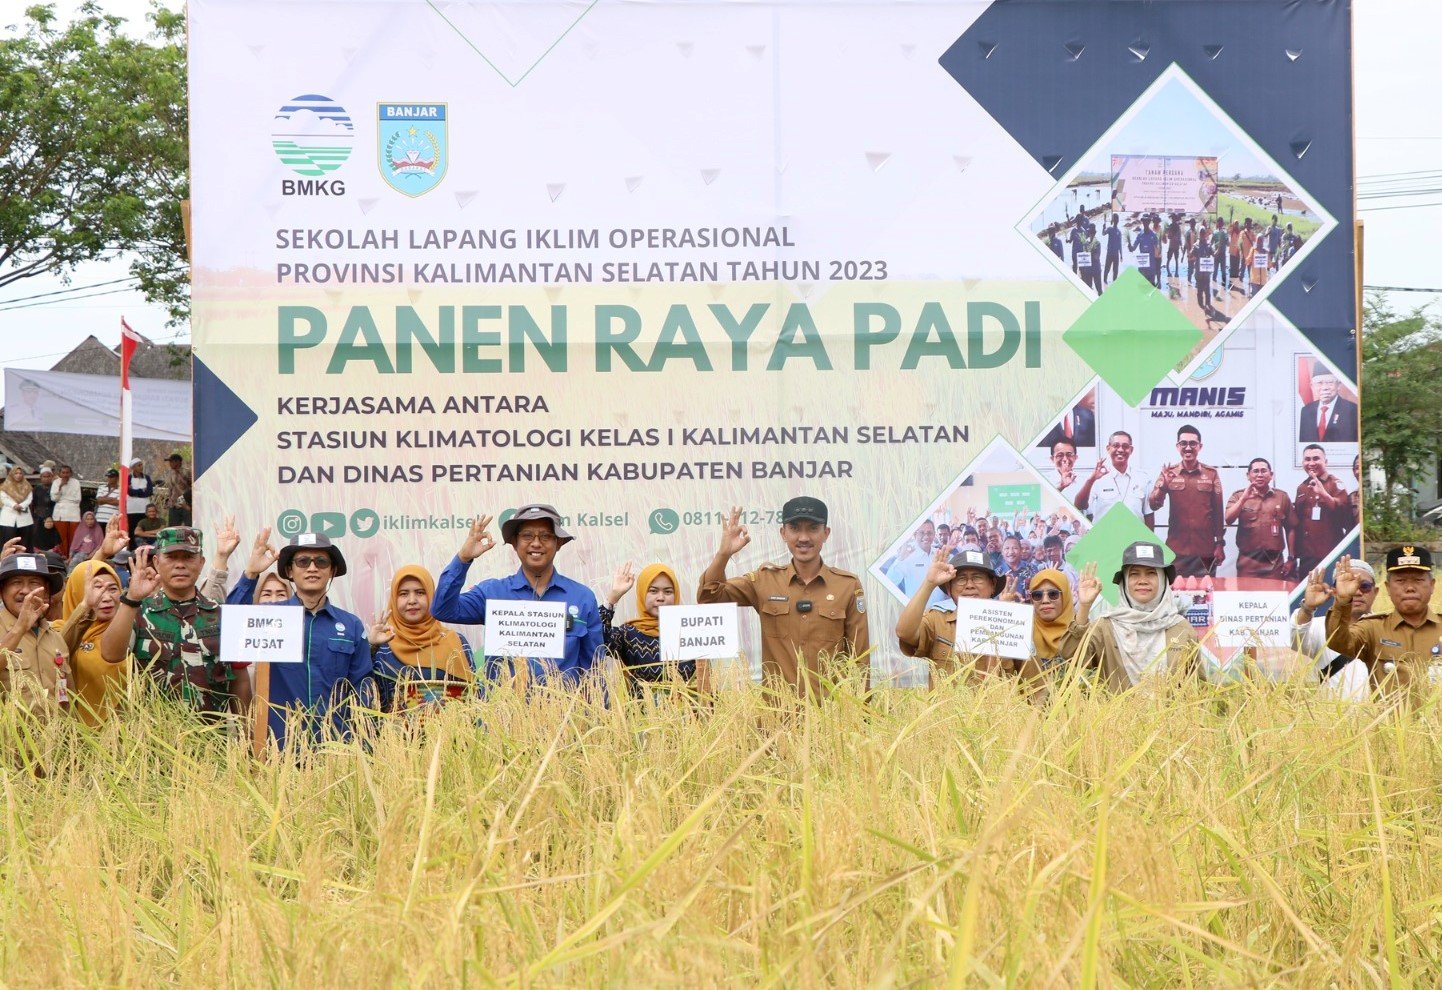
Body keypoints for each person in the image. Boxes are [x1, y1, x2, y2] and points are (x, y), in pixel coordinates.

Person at [698, 499, 869, 696]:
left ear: (826, 533)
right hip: (779, 711)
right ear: (783, 533)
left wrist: (858, 711)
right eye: (795, 528)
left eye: (813, 528)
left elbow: (860, 659)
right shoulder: (764, 580)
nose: (803, 537)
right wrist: (723, 554)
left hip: (829, 711)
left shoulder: (847, 585)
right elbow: (710, 597)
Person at [432, 505, 604, 688]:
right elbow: (442, 610)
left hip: (563, 706)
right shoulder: (492, 593)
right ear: (514, 543)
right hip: (505, 706)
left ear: (559, 543)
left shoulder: (582, 598)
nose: (536, 543)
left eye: (546, 536)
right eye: (527, 536)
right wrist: (463, 559)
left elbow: (595, 672)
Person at [230, 533, 371, 745]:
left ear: (332, 570)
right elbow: (230, 629)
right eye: (303, 561)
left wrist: (360, 744)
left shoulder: (351, 625)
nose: (312, 568)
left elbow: (363, 689)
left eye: (321, 561)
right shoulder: (271, 617)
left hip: (336, 748)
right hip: (281, 748)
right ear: (289, 570)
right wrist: (250, 574)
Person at [99, 527, 252, 718]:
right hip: (153, 733)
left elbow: (240, 680)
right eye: (171, 557)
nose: (180, 565)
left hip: (212, 733)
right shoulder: (137, 611)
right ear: (157, 562)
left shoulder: (224, 616)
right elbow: (110, 655)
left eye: (188, 557)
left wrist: (247, 731)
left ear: (201, 562)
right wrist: (131, 599)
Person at [1061, 543, 1199, 689]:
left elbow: (1197, 684)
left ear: (1163, 579)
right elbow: (1071, 655)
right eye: (1134, 574)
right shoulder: (1106, 627)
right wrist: (1084, 606)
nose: (1143, 580)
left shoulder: (1181, 628)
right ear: (1124, 581)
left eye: (1151, 573)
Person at [1326, 549, 1442, 699]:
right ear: (1388, 587)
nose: (1410, 588)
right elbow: (1339, 642)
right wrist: (1342, 602)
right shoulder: (1373, 628)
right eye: (1400, 581)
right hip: (1390, 715)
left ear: (1432, 585)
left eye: (1418, 580)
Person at [895, 547, 1016, 686]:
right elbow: (904, 633)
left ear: (992, 585)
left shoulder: (1012, 626)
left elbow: (1032, 684)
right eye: (961, 579)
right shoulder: (937, 620)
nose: (969, 585)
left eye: (977, 578)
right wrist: (929, 584)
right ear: (949, 588)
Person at [369, 564, 475, 712]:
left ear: (431, 596)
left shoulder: (455, 641)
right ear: (393, 599)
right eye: (403, 594)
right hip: (395, 727)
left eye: (420, 593)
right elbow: (366, 696)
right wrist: (371, 647)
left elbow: (474, 696)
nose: (412, 600)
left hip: (451, 727)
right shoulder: (383, 645)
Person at [601, 561, 695, 697]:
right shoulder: (629, 634)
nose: (661, 597)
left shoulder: (689, 631)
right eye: (653, 591)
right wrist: (613, 597)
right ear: (642, 593)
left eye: (668, 591)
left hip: (686, 710)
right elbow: (598, 639)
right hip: (642, 710)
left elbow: (705, 680)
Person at [1291, 561, 1377, 702]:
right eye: (1347, 585)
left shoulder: (1385, 627)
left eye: (1365, 586)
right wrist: (1307, 608)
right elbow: (1295, 640)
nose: (1356, 592)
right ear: (1335, 591)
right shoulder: (1320, 627)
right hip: (1333, 715)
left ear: (1376, 591)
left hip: (1381, 714)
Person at [0, 553, 73, 717]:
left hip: (57, 732)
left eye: (34, 583)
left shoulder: (56, 638)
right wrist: (19, 628)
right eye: (16, 582)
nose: (26, 591)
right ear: (2, 591)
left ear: (46, 592)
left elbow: (68, 697)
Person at [1148, 425, 1225, 578]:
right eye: (1184, 443)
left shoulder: (1211, 474)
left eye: (1193, 444)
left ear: (1200, 446)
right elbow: (1153, 504)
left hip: (1205, 550)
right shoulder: (1168, 473)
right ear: (1178, 446)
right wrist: (1164, 485)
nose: (1188, 448)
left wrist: (1219, 544)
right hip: (1177, 550)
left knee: (1206, 591)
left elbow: (1218, 512)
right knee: (1176, 591)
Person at [59, 559, 125, 725]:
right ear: (78, 593)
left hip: (118, 732)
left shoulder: (128, 629)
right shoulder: (55, 630)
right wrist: (85, 607)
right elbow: (59, 650)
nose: (107, 598)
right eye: (97, 589)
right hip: (71, 731)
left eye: (113, 589)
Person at [1225, 457, 1294, 579]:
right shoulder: (1238, 496)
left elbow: (1291, 528)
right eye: (1256, 471)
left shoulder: (1282, 497)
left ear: (1271, 475)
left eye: (1264, 471)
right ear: (1248, 475)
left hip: (1274, 562)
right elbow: (1228, 519)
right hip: (1247, 562)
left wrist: (1291, 558)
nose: (1260, 475)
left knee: (1275, 591)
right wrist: (1243, 499)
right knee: (1246, 592)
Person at [1292, 445, 1352, 576]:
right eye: (1307, 459)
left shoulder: (1335, 484)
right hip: (1306, 555)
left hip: (1330, 555)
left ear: (1326, 461)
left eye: (1316, 458)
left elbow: (1345, 516)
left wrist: (1324, 494)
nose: (1311, 463)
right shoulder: (1302, 487)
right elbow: (1298, 522)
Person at [1074, 431, 1155, 527]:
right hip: (1106, 534)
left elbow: (1148, 514)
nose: (1120, 450)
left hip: (1134, 534)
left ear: (1131, 450)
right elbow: (1080, 506)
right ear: (1108, 448)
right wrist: (1091, 480)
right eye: (1116, 446)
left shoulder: (1143, 478)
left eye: (1125, 446)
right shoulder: (1097, 477)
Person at [1298, 365, 1358, 442]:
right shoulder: (1306, 410)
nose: (1325, 388)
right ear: (1312, 386)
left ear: (1338, 385)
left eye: (1330, 383)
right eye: (1319, 383)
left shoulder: (1352, 410)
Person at [884, 519, 937, 598]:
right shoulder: (907, 556)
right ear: (915, 535)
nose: (926, 536)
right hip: (919, 605)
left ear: (934, 534)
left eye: (929, 533)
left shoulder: (938, 553)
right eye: (921, 532)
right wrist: (900, 559)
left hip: (941, 605)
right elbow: (889, 582)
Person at [0, 465, 34, 547]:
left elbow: (29, 498)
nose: (18, 475)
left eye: (20, 473)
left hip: (24, 516)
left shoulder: (27, 485)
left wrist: (21, 505)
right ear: (12, 474)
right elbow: (3, 498)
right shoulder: (5, 486)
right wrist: (14, 505)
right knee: (8, 541)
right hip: (8, 516)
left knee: (24, 541)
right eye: (16, 473)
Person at [50, 465, 82, 551]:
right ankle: (63, 555)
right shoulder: (56, 482)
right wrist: (60, 487)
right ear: (59, 473)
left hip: (73, 512)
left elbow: (77, 499)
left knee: (73, 536)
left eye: (67, 472)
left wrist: (64, 500)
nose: (65, 475)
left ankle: (72, 554)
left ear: (70, 473)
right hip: (60, 512)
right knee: (61, 537)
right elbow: (54, 498)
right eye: (63, 473)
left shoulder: (76, 482)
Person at [124, 459, 154, 544]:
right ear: (133, 467)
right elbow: (129, 492)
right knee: (132, 529)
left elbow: (149, 492)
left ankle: (146, 547)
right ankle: (132, 548)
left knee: (145, 528)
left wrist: (135, 491)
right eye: (139, 465)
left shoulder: (147, 477)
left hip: (144, 508)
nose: (141, 467)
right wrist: (142, 490)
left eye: (141, 465)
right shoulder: (129, 478)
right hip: (132, 509)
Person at [1047, 438, 1084, 504]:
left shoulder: (1085, 481)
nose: (1065, 459)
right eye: (1060, 455)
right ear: (1052, 459)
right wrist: (1061, 487)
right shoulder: (1044, 480)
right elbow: (1041, 504)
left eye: (1069, 455)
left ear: (1075, 458)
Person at [161, 453, 192, 527]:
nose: (170, 464)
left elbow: (192, 486)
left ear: (177, 462)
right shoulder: (170, 473)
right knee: (173, 527)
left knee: (189, 526)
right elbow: (170, 489)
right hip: (174, 504)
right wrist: (168, 501)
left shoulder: (187, 472)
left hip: (185, 504)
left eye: (171, 462)